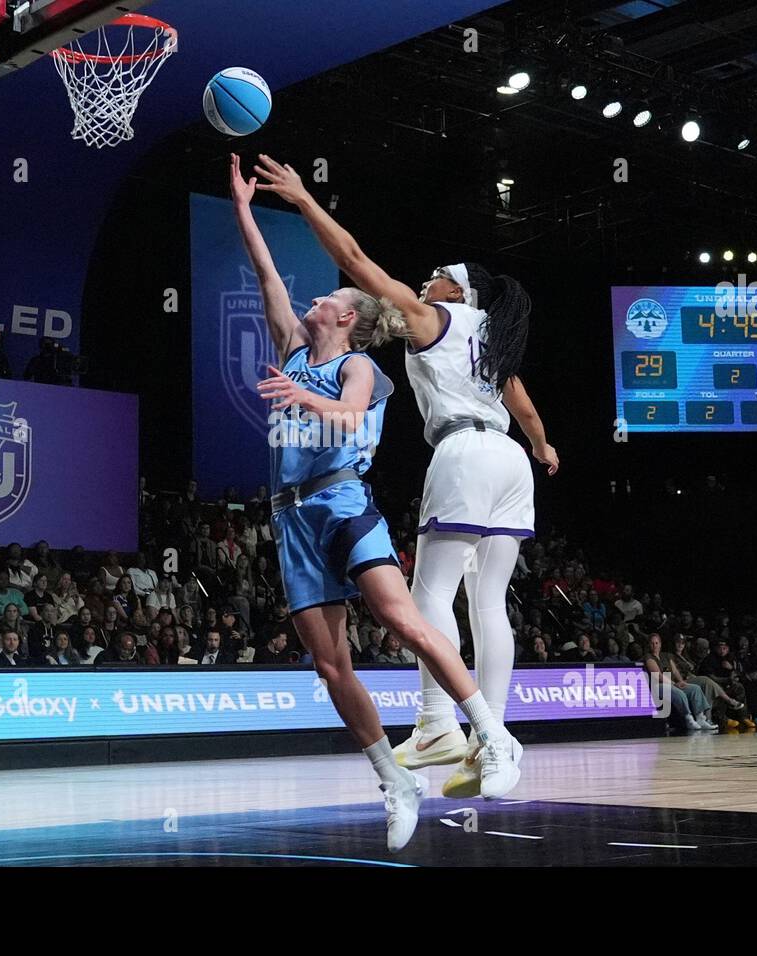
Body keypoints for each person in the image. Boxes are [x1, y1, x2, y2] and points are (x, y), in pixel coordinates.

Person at [232, 154, 522, 851]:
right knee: (331, 666)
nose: (318, 296)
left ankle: (491, 735)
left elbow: (346, 414)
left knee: (408, 622)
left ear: (350, 317)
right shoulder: (295, 347)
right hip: (290, 516)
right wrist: (243, 206)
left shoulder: (355, 364)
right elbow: (266, 272)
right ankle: (395, 778)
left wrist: (308, 398)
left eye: (330, 294)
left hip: (343, 503)